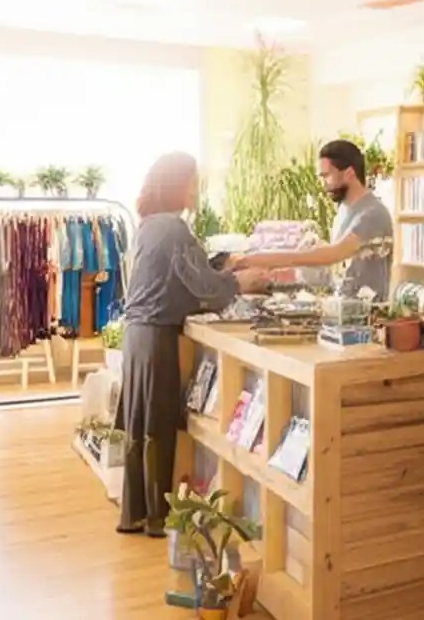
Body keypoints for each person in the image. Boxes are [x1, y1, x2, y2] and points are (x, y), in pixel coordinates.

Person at [115, 152, 268, 535]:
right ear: (178, 185)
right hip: (157, 337)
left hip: (138, 335)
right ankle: (157, 519)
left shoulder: (151, 225)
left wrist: (222, 268)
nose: (196, 190)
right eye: (192, 182)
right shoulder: (174, 229)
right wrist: (240, 283)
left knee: (140, 428)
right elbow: (201, 287)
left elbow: (186, 275)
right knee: (159, 427)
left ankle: (136, 514)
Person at [232, 139, 394, 299]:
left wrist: (256, 259)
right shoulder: (344, 210)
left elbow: (334, 253)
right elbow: (337, 270)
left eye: (326, 176)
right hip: (341, 312)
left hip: (365, 317)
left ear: (349, 174)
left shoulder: (373, 214)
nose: (323, 185)